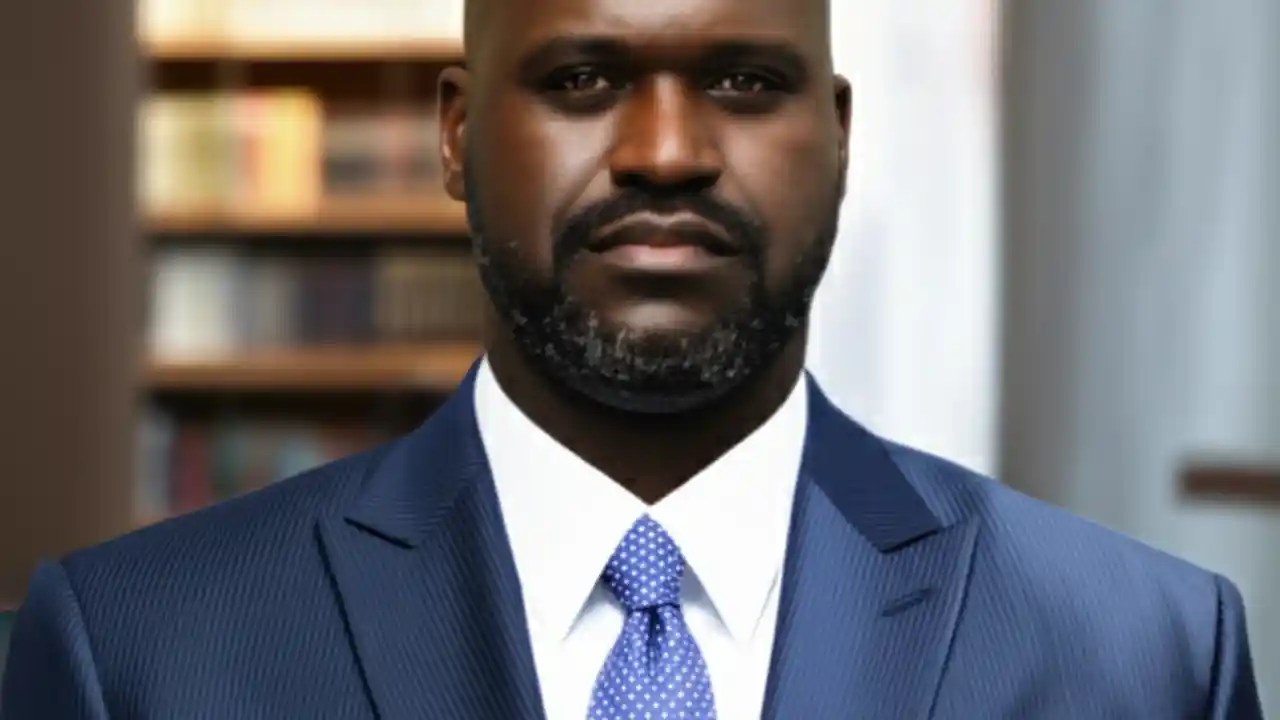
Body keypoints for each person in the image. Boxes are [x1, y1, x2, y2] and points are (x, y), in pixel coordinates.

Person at [2, 0, 1263, 717]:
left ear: (833, 137)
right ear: (453, 137)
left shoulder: (1138, 655)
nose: (665, 150)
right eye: (584, 75)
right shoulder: (141, 655)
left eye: (744, 80)